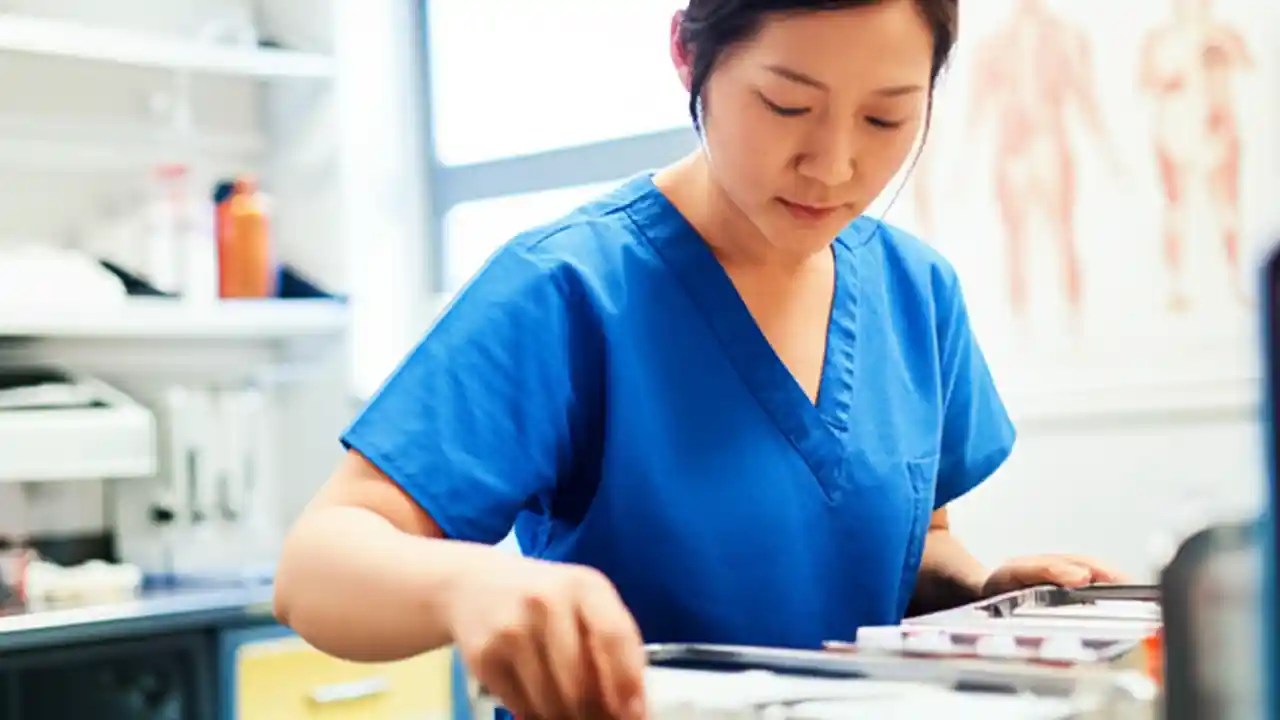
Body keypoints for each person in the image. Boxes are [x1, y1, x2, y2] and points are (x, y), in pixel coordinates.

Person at [273, 2, 1122, 718]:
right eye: (787, 106)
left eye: (884, 118)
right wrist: (469, 587)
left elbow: (911, 546)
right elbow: (318, 567)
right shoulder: (569, 289)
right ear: (688, 54)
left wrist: (981, 591)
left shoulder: (917, 292)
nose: (833, 165)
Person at [965, 0, 1113, 322]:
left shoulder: (1067, 38)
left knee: (1061, 230)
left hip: (1048, 141)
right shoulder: (994, 44)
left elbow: (1085, 98)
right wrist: (960, 167)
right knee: (1015, 235)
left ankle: (1073, 315)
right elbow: (977, 110)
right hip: (1013, 145)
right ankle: (1022, 320)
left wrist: (1110, 155)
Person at [1139, 0, 1253, 310]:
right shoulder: (1159, 39)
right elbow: (1146, 80)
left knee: (1227, 209)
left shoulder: (1223, 33)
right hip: (1175, 130)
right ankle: (1176, 285)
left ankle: (1234, 279)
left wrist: (1221, 46)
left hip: (1218, 133)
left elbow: (1247, 64)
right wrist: (1169, 82)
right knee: (1177, 210)